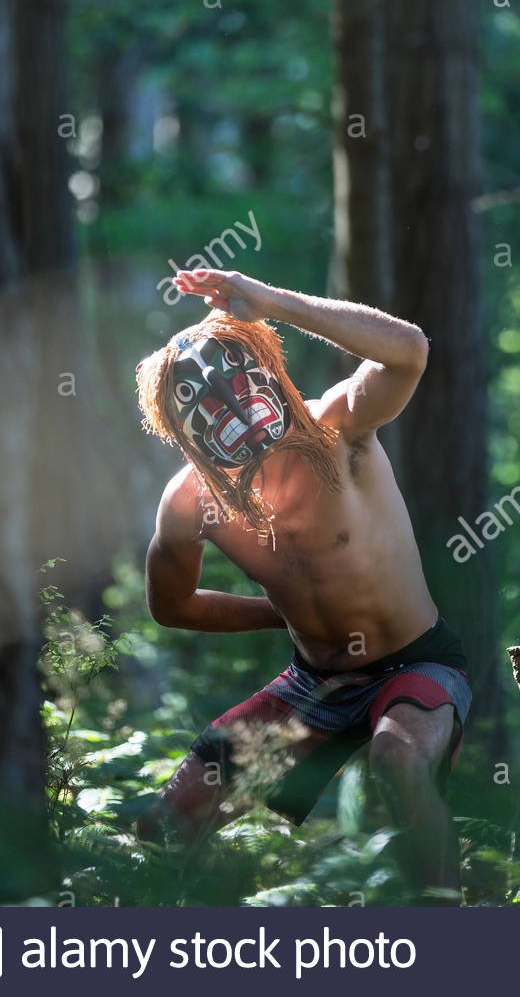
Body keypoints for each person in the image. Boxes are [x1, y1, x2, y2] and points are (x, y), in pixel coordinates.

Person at [134, 267, 471, 904]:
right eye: (204, 403)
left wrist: (271, 301)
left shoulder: (339, 428)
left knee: (398, 762)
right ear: (183, 430)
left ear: (263, 370)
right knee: (168, 821)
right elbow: (172, 607)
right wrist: (278, 615)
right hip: (312, 682)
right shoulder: (190, 503)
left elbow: (410, 351)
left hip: (415, 662)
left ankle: (449, 931)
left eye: (234, 382)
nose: (230, 407)